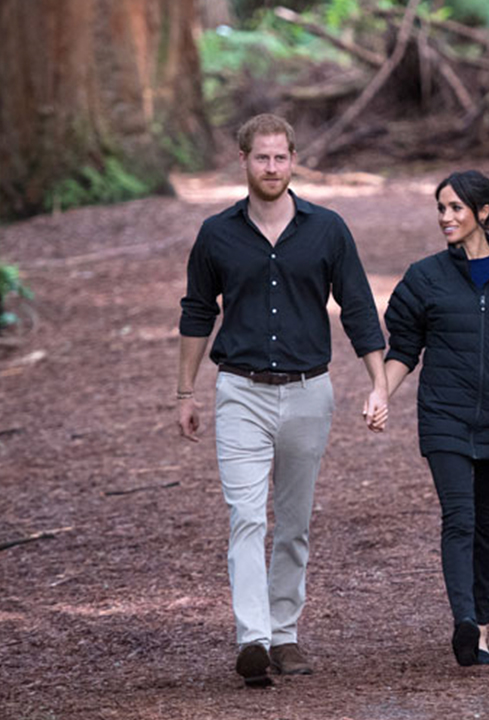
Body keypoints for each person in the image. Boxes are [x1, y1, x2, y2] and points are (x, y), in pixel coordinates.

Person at [175, 114, 390, 687]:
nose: (271, 168)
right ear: (242, 161)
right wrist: (185, 391)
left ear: (294, 161)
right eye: (261, 158)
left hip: (307, 393)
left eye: (281, 158)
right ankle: (254, 638)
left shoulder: (328, 229)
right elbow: (198, 311)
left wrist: (378, 382)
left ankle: (286, 633)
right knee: (246, 516)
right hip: (240, 391)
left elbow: (359, 308)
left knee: (292, 522)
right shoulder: (217, 234)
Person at [383, 170, 489, 666]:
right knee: (459, 517)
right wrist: (382, 393)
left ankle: (481, 627)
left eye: (456, 208)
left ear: (483, 213)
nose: (446, 217)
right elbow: (403, 347)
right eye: (441, 208)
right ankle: (464, 620)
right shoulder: (425, 277)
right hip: (446, 416)